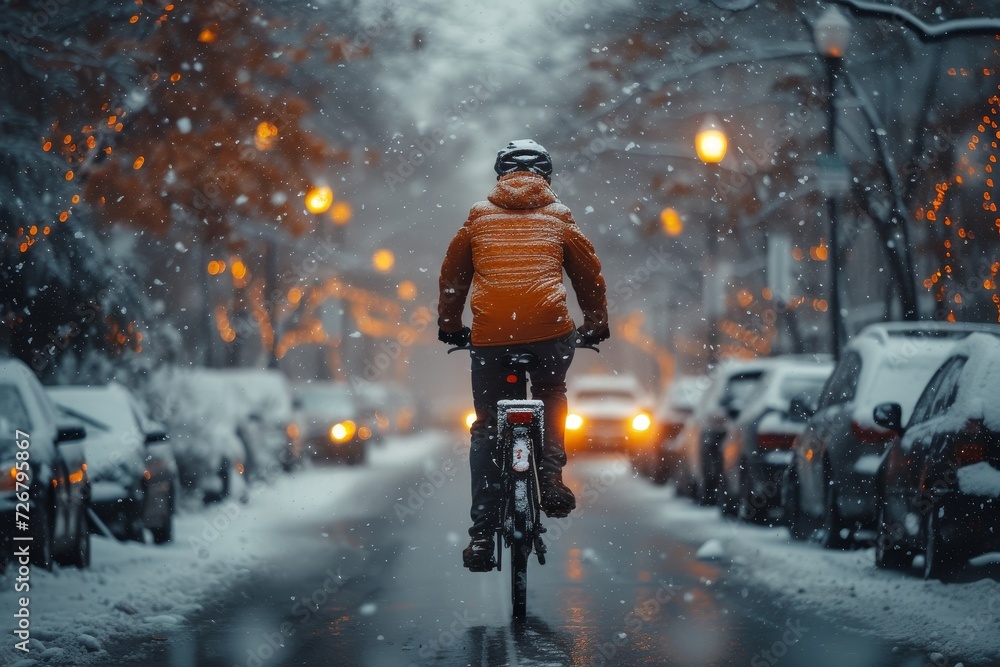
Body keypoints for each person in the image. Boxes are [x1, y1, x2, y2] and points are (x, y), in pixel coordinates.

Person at [437, 139, 610, 571]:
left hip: (492, 337)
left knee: (484, 426)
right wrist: (595, 322)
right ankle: (550, 477)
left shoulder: (478, 218)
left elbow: (453, 276)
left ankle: (480, 534)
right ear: (546, 177)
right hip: (549, 333)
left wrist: (450, 326)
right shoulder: (560, 218)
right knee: (551, 389)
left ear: (500, 176)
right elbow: (588, 275)